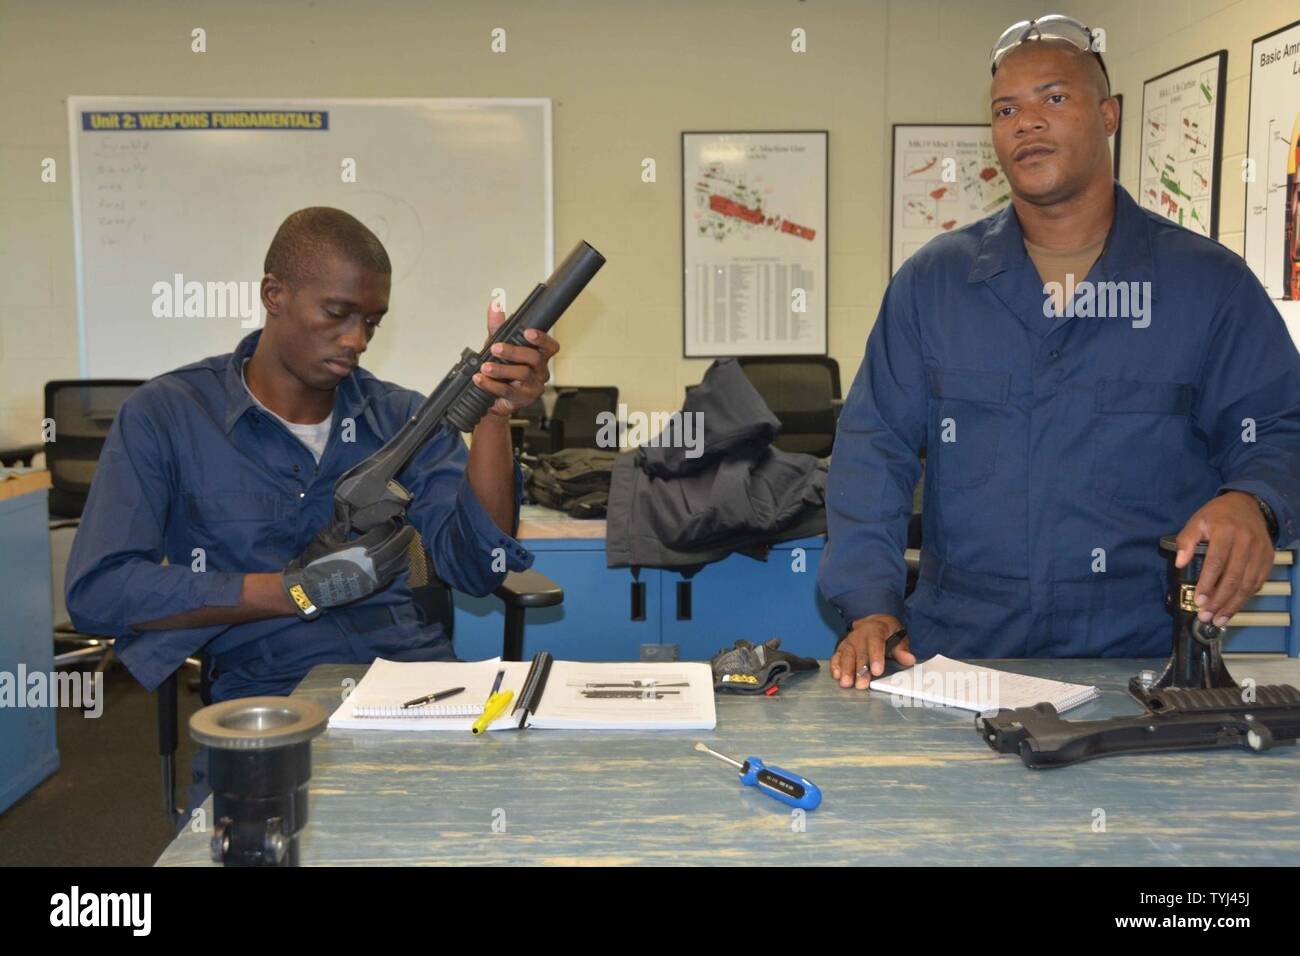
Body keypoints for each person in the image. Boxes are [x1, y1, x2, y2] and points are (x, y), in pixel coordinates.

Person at [819, 15, 1300, 689]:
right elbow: (874, 450)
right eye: (1006, 109)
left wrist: (1255, 499)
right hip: (962, 660)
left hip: (1143, 660)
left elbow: (1280, 425)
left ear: (1109, 115)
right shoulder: (936, 284)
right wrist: (870, 605)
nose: (1027, 123)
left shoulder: (1206, 285)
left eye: (1054, 98)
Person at [66, 206, 554, 703]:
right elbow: (101, 591)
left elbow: (478, 568)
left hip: (408, 673)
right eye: (337, 314)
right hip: (266, 685)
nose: (355, 340)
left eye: (371, 323)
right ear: (273, 294)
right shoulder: (170, 415)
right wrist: (293, 590)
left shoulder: (401, 418)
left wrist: (495, 415)